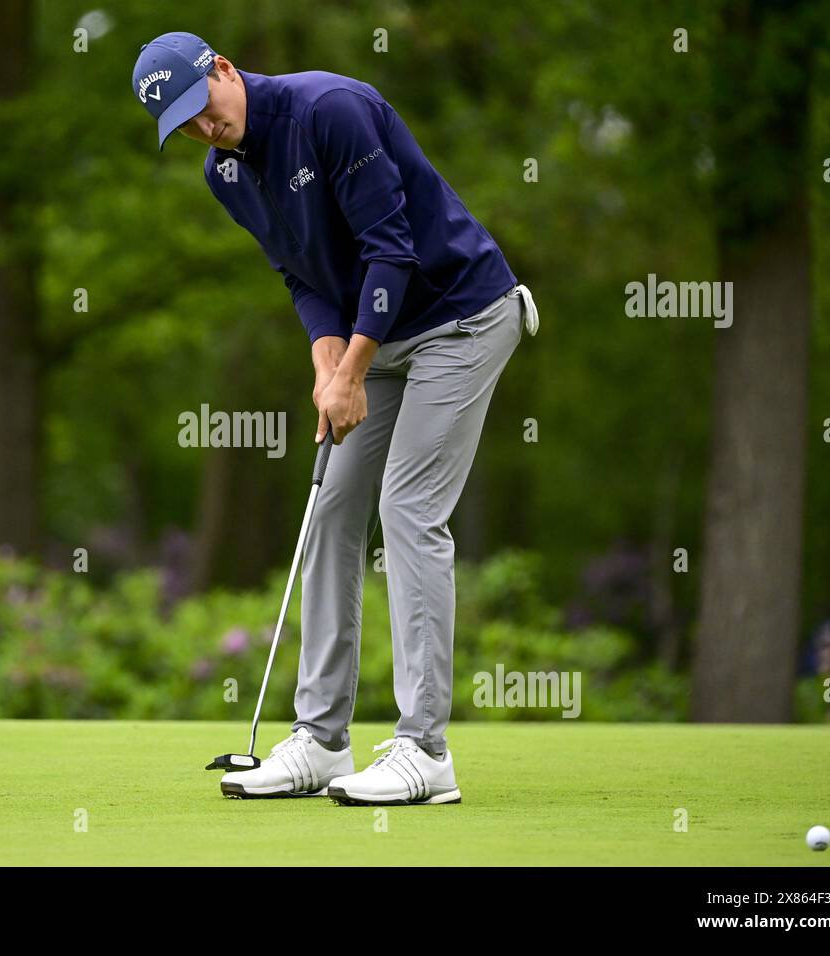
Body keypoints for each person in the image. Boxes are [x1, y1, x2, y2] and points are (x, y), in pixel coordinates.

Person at [132, 32, 538, 805]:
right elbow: (301, 271)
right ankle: (321, 740)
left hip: (464, 316)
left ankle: (425, 752)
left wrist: (352, 369)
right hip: (373, 340)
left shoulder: (331, 110)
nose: (201, 128)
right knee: (331, 509)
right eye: (181, 124)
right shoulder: (223, 174)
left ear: (222, 68)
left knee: (409, 508)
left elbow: (392, 252)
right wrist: (325, 360)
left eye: (201, 107)